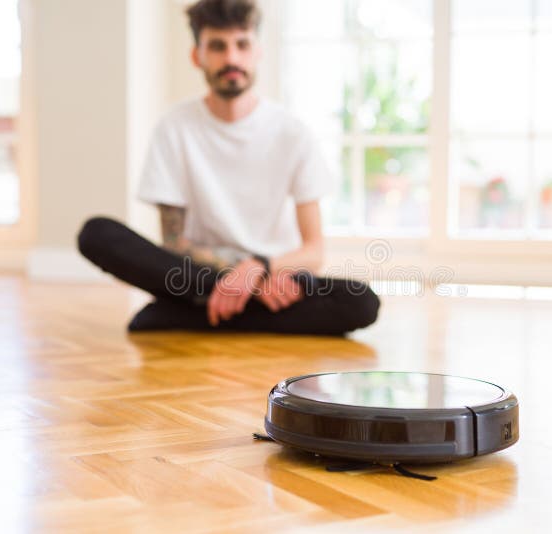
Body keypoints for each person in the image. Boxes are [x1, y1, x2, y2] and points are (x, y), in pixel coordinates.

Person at [77, 0, 380, 336]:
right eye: (218, 47)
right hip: (200, 274)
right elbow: (175, 242)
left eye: (242, 44)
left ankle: (187, 314)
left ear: (258, 51)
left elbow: (314, 251)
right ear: (198, 56)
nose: (232, 58)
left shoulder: (292, 133)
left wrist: (259, 269)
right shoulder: (174, 128)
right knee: (97, 233)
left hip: (275, 275)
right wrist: (238, 276)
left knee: (362, 302)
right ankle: (222, 305)